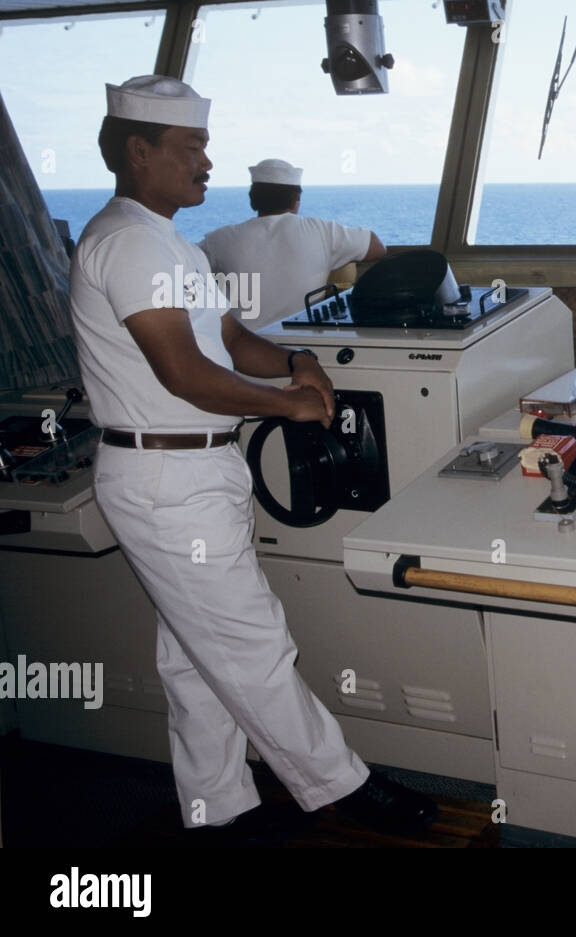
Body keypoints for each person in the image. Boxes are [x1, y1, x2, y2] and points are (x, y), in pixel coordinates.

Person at [69, 74, 434, 842]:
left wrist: (295, 360)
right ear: (139, 152)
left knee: (194, 656)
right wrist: (287, 403)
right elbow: (182, 370)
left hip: (196, 468)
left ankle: (217, 808)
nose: (207, 162)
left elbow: (229, 339)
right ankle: (343, 786)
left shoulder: (171, 242)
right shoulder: (129, 242)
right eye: (191, 147)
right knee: (252, 641)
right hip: (166, 476)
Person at [198, 158, 385, 325]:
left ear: (252, 199)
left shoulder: (219, 240)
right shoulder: (322, 231)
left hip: (240, 346)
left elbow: (188, 269)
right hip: (299, 341)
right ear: (296, 198)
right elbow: (378, 248)